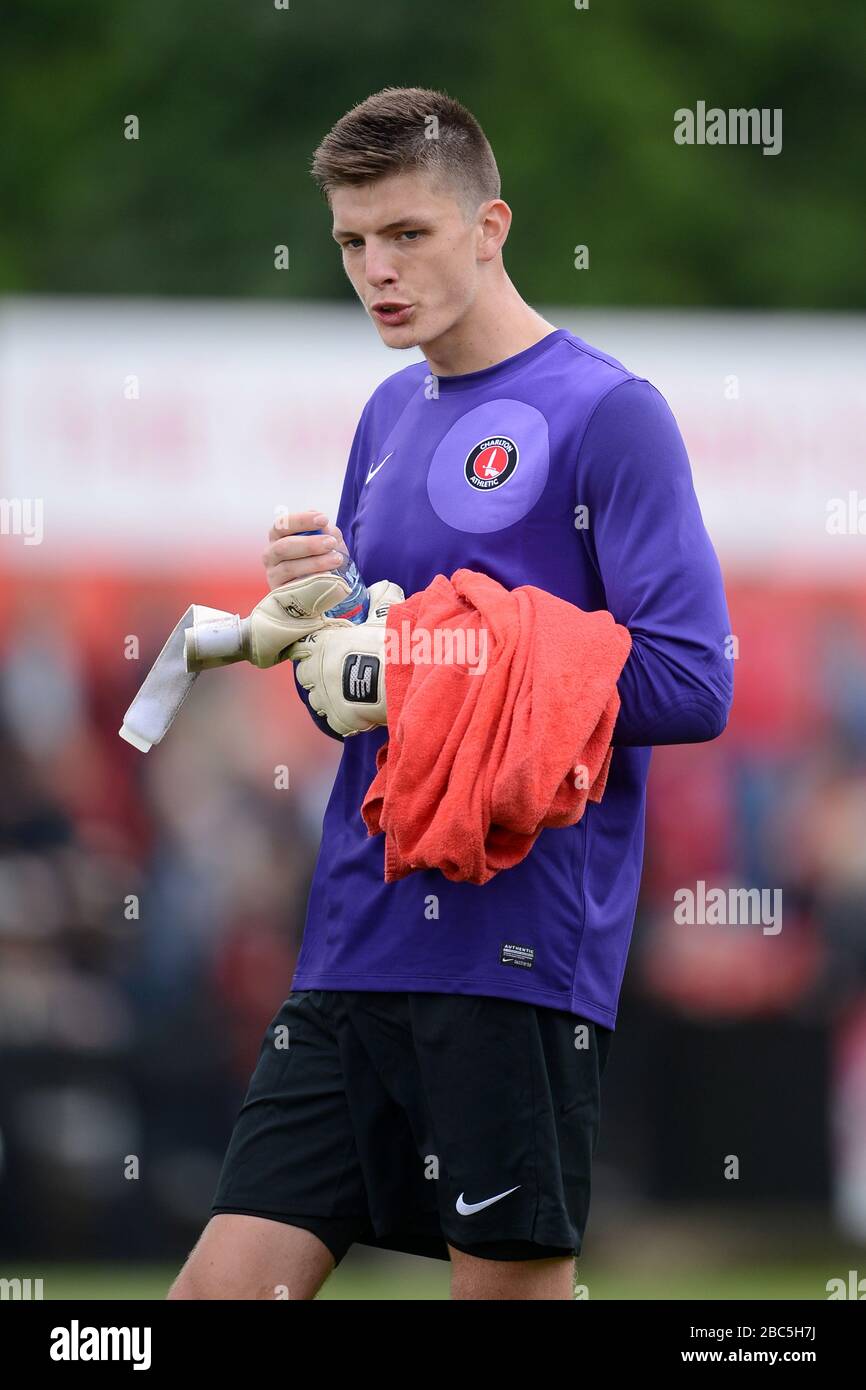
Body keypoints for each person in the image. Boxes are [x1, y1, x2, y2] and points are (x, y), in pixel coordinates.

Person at [168, 85, 733, 1301]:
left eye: (407, 234)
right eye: (352, 243)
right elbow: (365, 701)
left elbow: (691, 679)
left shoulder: (610, 414)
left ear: (490, 226)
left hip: (511, 945)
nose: (376, 269)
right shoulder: (385, 413)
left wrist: (437, 662)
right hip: (352, 937)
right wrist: (325, 632)